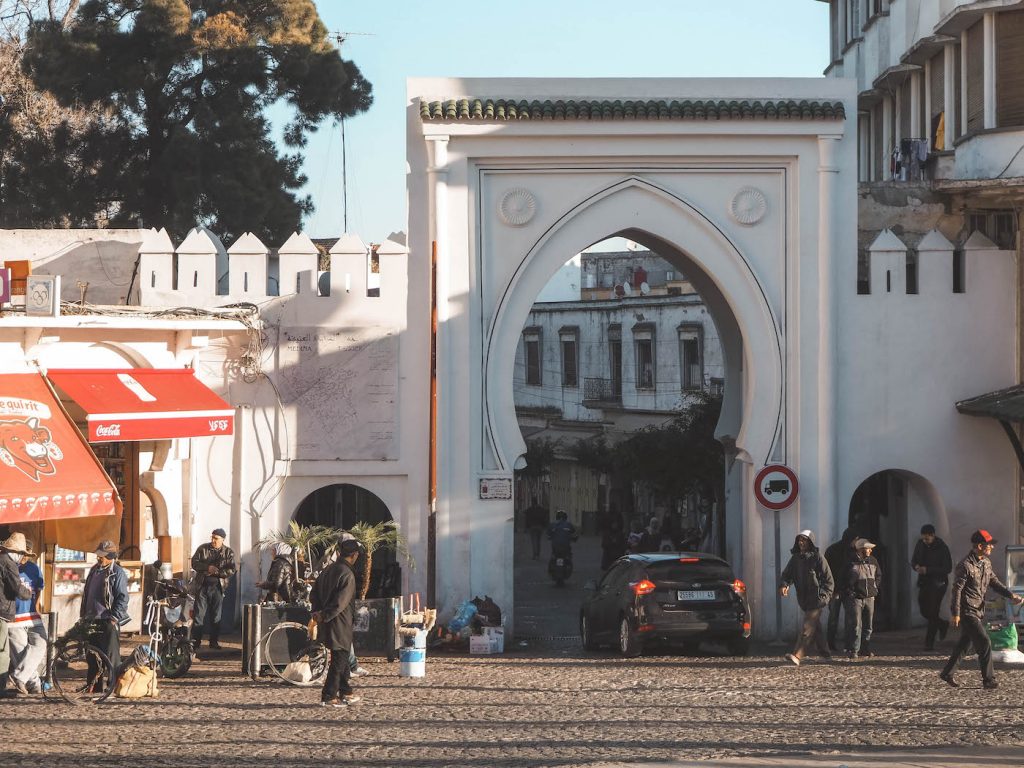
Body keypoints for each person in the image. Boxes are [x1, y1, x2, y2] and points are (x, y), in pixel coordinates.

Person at [940, 529, 1024, 689]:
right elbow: (957, 590)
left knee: (965, 643)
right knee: (984, 642)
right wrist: (956, 613)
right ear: (979, 546)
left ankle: (947, 673)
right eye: (989, 544)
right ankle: (989, 679)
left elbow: (995, 583)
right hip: (967, 610)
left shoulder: (986, 563)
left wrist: (1011, 595)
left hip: (978, 609)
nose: (992, 547)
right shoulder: (965, 565)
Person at [311, 537, 362, 707]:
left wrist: (318, 612)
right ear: (354, 555)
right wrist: (324, 614)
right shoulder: (347, 574)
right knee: (339, 660)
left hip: (328, 620)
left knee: (342, 657)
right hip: (339, 622)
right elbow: (341, 602)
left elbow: (314, 593)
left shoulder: (328, 569)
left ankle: (346, 691)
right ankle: (329, 695)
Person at [779, 529, 834, 666]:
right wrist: (784, 585)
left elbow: (829, 580)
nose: (801, 542)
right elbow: (787, 575)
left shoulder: (818, 558)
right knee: (816, 627)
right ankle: (826, 654)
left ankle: (797, 655)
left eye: (804, 540)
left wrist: (824, 596)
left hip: (817, 599)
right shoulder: (796, 559)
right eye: (799, 540)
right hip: (804, 599)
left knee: (807, 626)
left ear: (810, 542)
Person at [80, 540, 130, 685]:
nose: (99, 558)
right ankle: (93, 686)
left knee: (111, 656)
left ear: (111, 556)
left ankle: (113, 686)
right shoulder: (94, 570)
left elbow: (123, 598)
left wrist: (114, 618)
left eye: (102, 556)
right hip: (91, 619)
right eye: (98, 555)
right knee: (92, 656)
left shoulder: (117, 573)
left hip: (107, 620)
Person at [8, 536, 48, 694]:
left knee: (41, 644)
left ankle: (19, 677)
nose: (24, 557)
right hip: (14, 617)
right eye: (22, 554)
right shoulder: (9, 567)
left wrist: (37, 607)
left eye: (27, 554)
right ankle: (34, 685)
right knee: (21, 653)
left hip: (32, 615)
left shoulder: (34, 568)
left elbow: (38, 589)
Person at [190, 528, 237, 650]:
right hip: (202, 586)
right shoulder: (203, 549)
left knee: (216, 616)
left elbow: (232, 569)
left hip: (218, 587)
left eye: (216, 538)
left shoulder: (228, 552)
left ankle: (214, 641)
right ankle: (195, 641)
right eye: (212, 537)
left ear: (222, 539)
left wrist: (217, 572)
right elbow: (194, 563)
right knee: (198, 615)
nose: (213, 540)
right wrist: (207, 568)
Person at [0, 533, 32, 698]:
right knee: (2, 653)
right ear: (16, 552)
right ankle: (0, 689)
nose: (22, 557)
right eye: (21, 554)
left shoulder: (2, 560)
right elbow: (18, 588)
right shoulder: (8, 563)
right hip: (2, 612)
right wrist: (29, 593)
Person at [911, 523, 952, 650]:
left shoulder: (942, 548)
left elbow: (947, 568)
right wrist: (916, 566)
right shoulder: (920, 544)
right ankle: (942, 624)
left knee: (933, 612)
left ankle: (929, 643)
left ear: (933, 535)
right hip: (924, 582)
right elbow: (914, 560)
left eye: (927, 538)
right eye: (923, 538)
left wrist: (928, 570)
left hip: (938, 584)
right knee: (924, 610)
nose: (925, 541)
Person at [843, 538, 882, 660]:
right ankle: (854, 649)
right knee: (856, 624)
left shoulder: (873, 561)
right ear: (860, 549)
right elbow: (843, 577)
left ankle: (865, 648)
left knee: (868, 625)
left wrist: (875, 587)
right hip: (856, 598)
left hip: (870, 596)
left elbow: (878, 575)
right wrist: (849, 591)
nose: (870, 550)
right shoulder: (851, 562)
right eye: (868, 548)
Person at [824, 527, 858, 651]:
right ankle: (831, 644)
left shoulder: (853, 552)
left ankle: (848, 645)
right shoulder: (833, 550)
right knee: (834, 617)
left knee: (850, 618)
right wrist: (831, 589)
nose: (856, 542)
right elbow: (826, 571)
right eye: (855, 539)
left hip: (848, 589)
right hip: (835, 589)